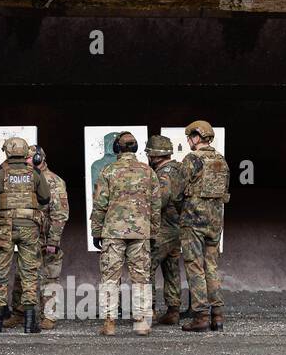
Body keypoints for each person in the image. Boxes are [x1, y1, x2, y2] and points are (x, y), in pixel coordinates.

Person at [89, 131, 160, 336]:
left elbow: (100, 204)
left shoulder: (108, 171)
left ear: (117, 149)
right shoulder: (148, 172)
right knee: (141, 278)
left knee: (110, 278)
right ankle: (141, 323)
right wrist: (153, 232)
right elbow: (156, 206)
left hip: (113, 232)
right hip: (140, 232)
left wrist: (96, 231)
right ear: (136, 148)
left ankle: (109, 323)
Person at [0, 137, 50, 333]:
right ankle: (30, 323)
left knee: (0, 273)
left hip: (3, 227)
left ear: (7, 151)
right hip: (29, 227)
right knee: (29, 273)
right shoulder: (35, 173)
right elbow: (45, 197)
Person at [7, 145, 69, 329]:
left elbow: (60, 214)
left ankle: (49, 316)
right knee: (21, 274)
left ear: (37, 159)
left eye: (27, 158)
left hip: (45, 236)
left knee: (50, 276)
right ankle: (19, 312)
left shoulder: (53, 181)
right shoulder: (25, 179)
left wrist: (53, 241)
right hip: (28, 235)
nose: (23, 162)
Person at [175, 120, 230, 332]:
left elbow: (178, 189)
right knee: (212, 266)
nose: (188, 141)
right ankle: (217, 315)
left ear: (197, 137)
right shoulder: (221, 161)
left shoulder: (192, 159)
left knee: (194, 266)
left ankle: (201, 316)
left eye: (190, 137)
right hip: (215, 221)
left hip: (193, 221)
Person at [145, 134, 186, 325]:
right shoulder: (179, 170)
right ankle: (173, 310)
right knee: (171, 269)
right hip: (177, 226)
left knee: (147, 267)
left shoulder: (164, 174)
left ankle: (148, 310)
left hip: (164, 228)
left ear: (154, 155)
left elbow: (160, 200)